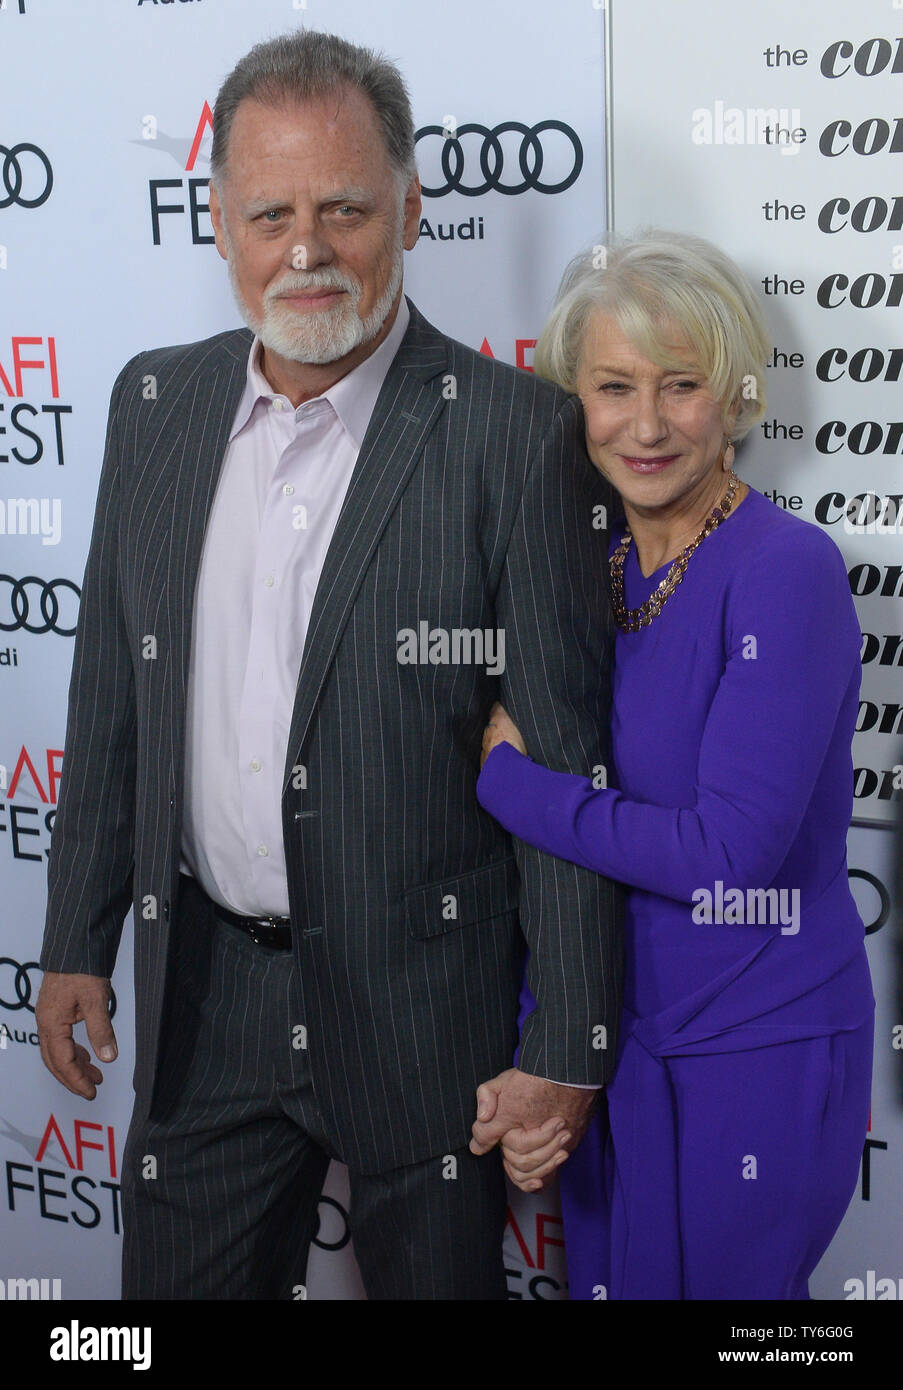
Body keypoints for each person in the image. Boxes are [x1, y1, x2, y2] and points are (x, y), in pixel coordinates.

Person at [34, 30, 622, 1300]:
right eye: (271, 212)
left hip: (428, 1004)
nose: (306, 247)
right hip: (207, 1004)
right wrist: (72, 938)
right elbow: (110, 693)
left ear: (409, 207)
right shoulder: (151, 406)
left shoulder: (514, 437)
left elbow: (566, 754)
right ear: (220, 223)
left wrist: (570, 1039)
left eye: (345, 208)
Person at [473, 230, 875, 1300]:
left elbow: (727, 852)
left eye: (681, 386)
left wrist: (513, 783)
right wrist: (545, 1046)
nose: (644, 425)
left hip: (757, 1051)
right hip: (615, 1045)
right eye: (613, 387)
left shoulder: (786, 571)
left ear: (735, 394)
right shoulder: (589, 558)